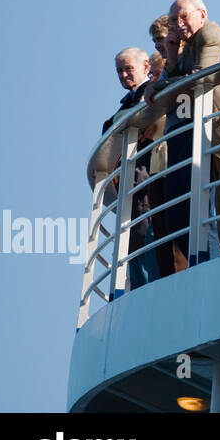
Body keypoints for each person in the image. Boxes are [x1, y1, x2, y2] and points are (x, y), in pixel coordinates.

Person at [148, 0, 220, 256]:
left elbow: (202, 78)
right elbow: (184, 88)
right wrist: (171, 55)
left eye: (184, 17)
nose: (179, 24)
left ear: (202, 14)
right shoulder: (189, 46)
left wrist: (159, 86)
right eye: (174, 20)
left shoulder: (210, 35)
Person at [92, 48, 162, 288]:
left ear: (145, 66)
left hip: (145, 175)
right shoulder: (129, 101)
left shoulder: (152, 94)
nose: (123, 74)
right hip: (130, 179)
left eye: (128, 68)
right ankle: (142, 288)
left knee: (145, 236)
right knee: (132, 240)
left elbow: (140, 120)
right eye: (119, 70)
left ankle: (151, 289)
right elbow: (110, 129)